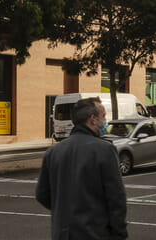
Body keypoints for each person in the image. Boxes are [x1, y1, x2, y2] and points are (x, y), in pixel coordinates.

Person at [36, 98, 129, 240]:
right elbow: (116, 199)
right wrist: (119, 234)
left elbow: (42, 194)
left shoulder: (53, 152)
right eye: (103, 116)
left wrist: (65, 210)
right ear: (92, 119)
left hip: (62, 233)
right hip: (95, 233)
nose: (105, 121)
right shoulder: (105, 150)